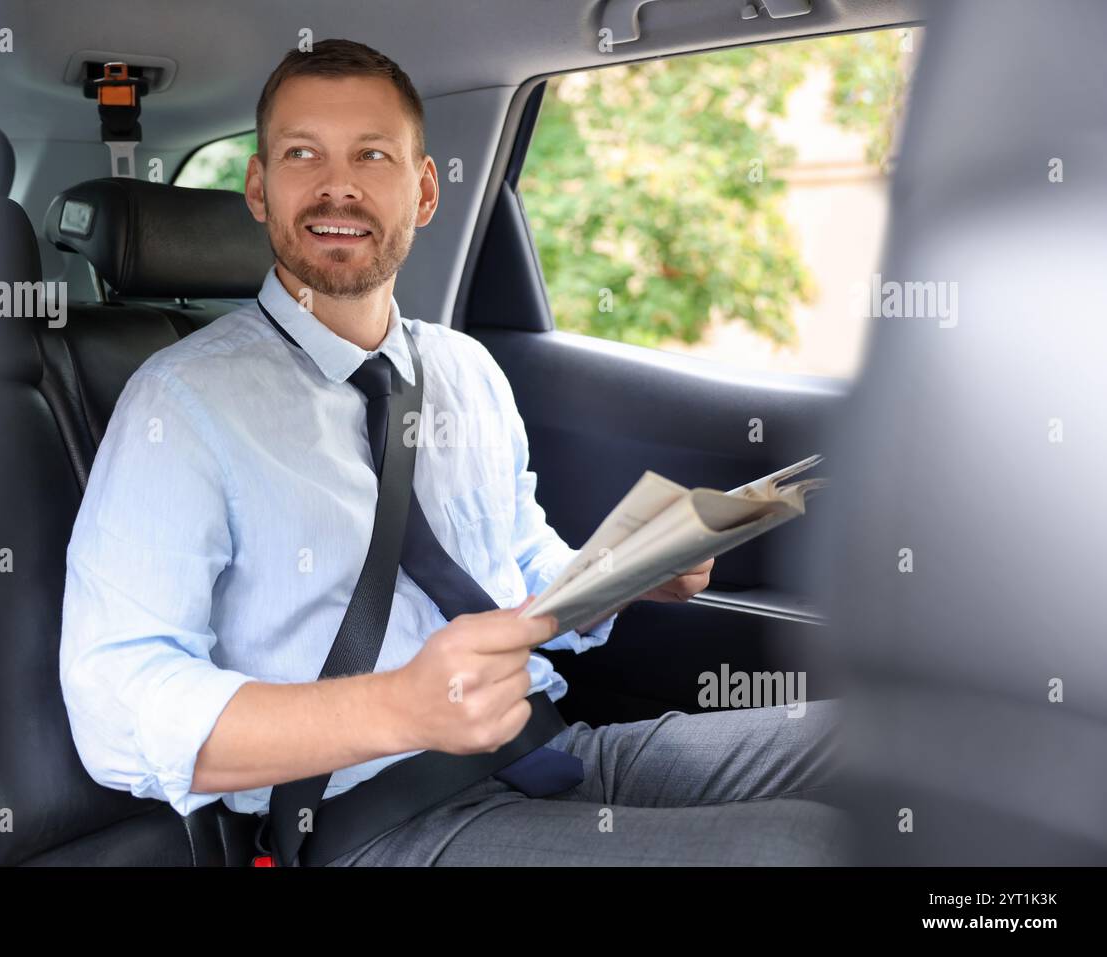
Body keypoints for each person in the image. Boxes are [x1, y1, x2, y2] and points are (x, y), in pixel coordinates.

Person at [59, 37, 847, 866]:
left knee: (884, 746)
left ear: (425, 189)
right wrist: (400, 707)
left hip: (552, 750)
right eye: (302, 154)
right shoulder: (180, 403)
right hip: (374, 820)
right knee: (802, 847)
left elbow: (514, 563)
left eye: (373, 154)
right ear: (260, 188)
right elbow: (116, 703)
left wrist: (623, 574)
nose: (338, 185)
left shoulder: (466, 369)